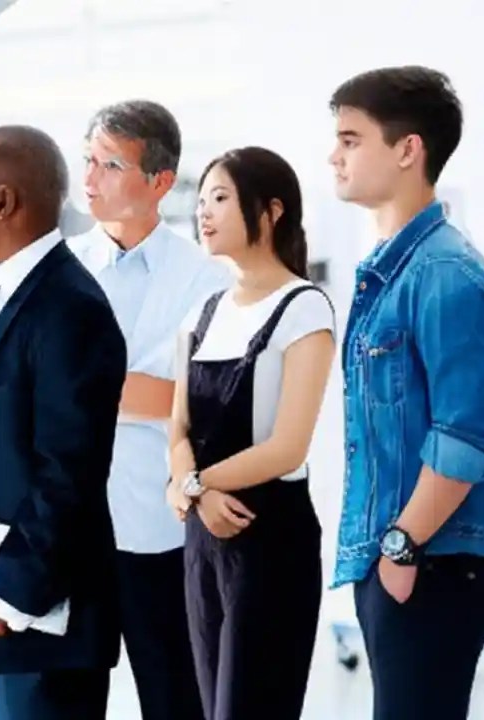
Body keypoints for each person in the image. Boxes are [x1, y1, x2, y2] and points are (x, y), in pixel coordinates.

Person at [0, 124, 126, 720]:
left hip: (29, 623)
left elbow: (68, 474)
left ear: (5, 202)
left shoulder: (69, 309)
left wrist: (6, 593)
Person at [327, 65, 484, 720]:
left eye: (350, 139)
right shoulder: (391, 269)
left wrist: (401, 544)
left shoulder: (445, 272)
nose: (333, 156)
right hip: (400, 560)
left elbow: (466, 435)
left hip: (430, 561)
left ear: (407, 149)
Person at [68, 99, 231, 720]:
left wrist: (93, 391)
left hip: (161, 535)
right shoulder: (62, 270)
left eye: (109, 165)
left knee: (175, 698)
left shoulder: (203, 278)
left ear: (160, 182)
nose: (90, 179)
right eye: (87, 161)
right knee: (69, 701)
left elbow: (200, 404)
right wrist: (143, 392)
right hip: (72, 533)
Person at [168, 147, 336, 719]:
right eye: (200, 202)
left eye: (219, 198)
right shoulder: (202, 314)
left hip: (270, 541)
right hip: (202, 544)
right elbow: (178, 430)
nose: (203, 213)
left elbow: (288, 446)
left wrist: (192, 486)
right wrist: (192, 488)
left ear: (270, 212)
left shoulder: (304, 308)